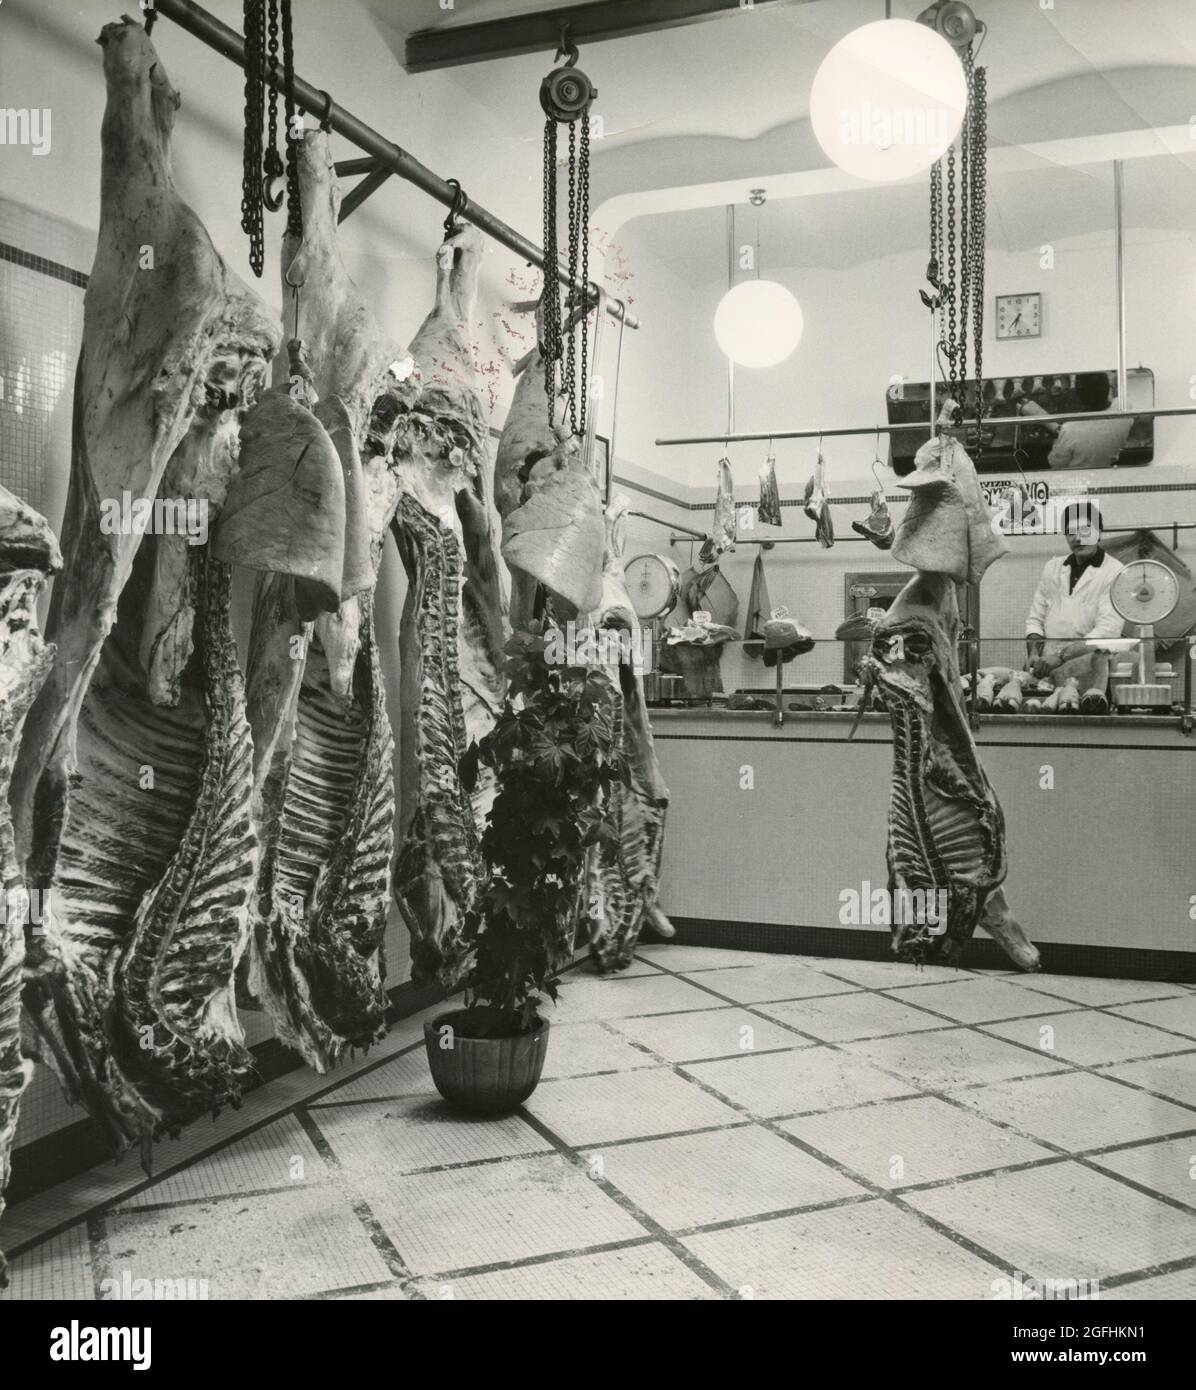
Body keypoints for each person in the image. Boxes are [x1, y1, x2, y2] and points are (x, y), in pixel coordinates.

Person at [1025, 500, 1125, 713]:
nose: (1077, 538)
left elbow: (1107, 632)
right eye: (1070, 532)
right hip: (1048, 670)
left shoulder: (1115, 571)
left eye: (1085, 531)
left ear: (1099, 532)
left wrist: (1060, 657)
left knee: (1087, 723)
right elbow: (1036, 618)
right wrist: (1033, 652)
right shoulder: (1053, 567)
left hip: (1090, 670)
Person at [1017, 371, 1133, 469]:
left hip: (1078, 474)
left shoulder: (1070, 430)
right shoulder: (1125, 408)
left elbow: (1055, 464)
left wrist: (1039, 414)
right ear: (1109, 389)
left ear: (1078, 394)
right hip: (1107, 465)